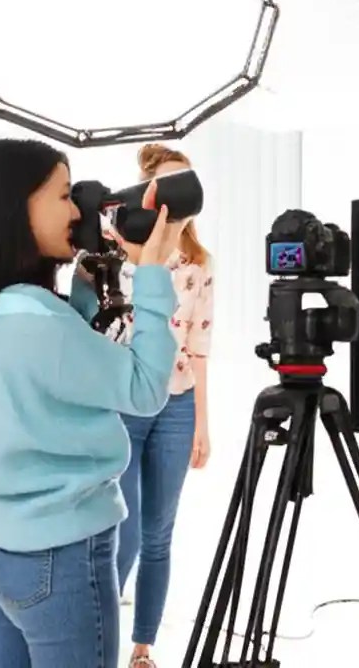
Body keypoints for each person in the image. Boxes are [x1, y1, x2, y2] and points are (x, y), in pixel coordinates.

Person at [0, 137, 186, 668]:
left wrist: (86, 290)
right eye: (64, 196)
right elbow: (145, 389)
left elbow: (53, 363)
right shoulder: (39, 319)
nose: (75, 211)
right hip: (59, 556)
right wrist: (153, 275)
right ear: (18, 208)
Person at [114, 143, 214, 667]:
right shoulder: (118, 256)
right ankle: (103, 632)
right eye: (166, 185)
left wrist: (202, 422)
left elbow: (199, 345)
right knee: (123, 529)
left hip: (175, 408)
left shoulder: (199, 265)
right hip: (126, 405)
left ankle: (142, 646)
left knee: (159, 533)